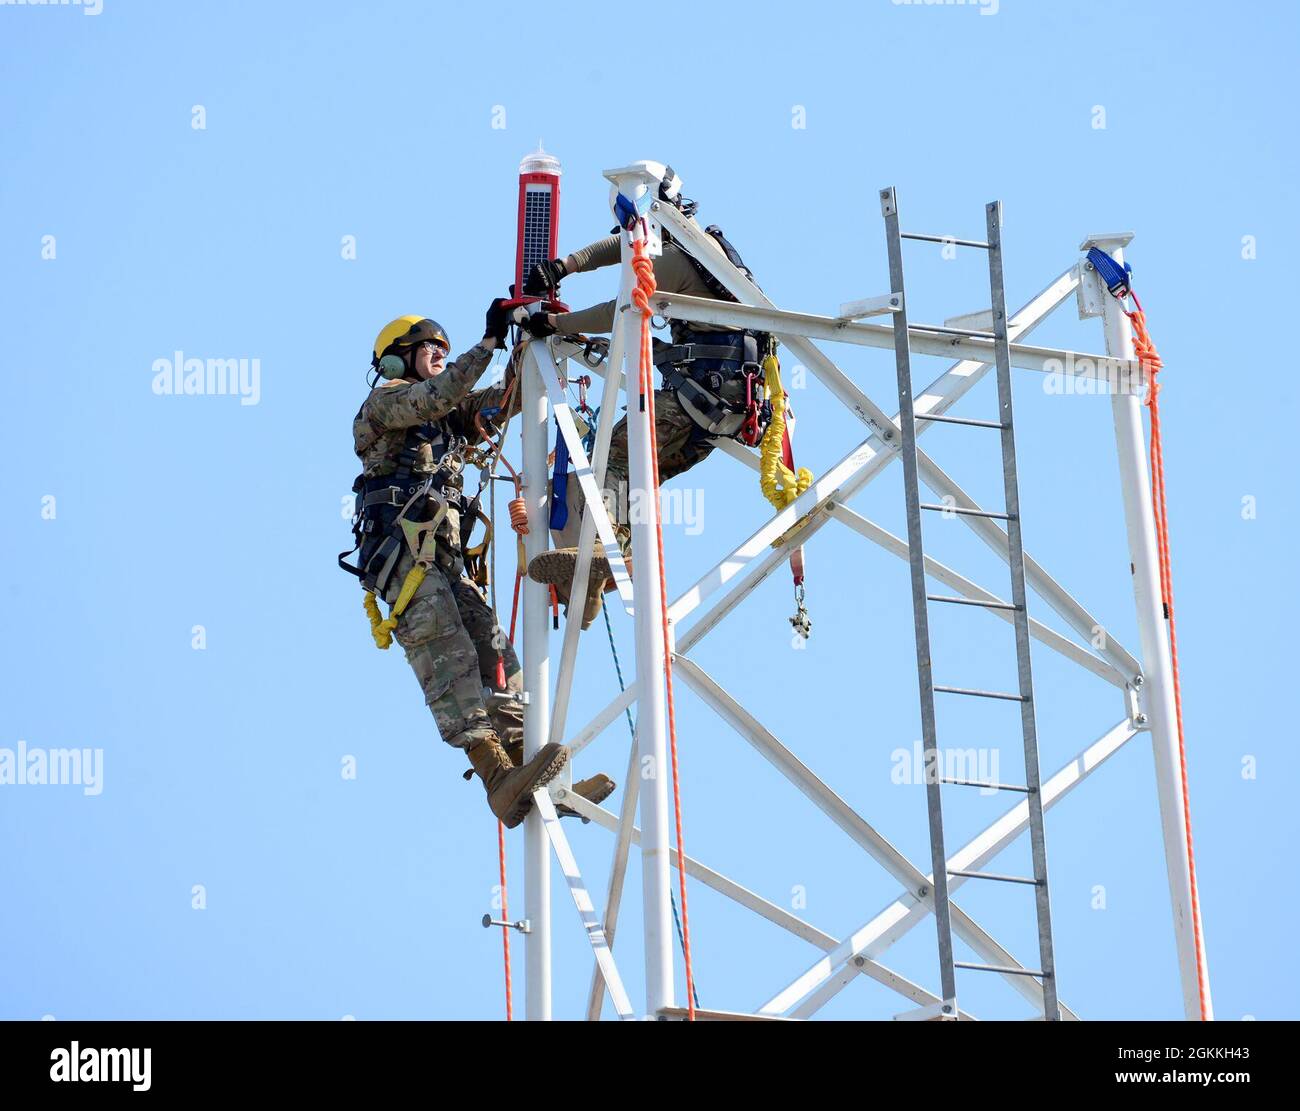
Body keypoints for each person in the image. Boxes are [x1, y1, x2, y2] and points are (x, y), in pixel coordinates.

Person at [342, 308, 613, 827]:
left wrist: (526, 352)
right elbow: (437, 398)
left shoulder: (444, 414)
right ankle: (496, 779)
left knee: (496, 657)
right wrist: (488, 341)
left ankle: (529, 772)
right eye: (429, 347)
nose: (441, 353)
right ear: (399, 358)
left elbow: (496, 404)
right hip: (404, 559)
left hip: (443, 559)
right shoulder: (386, 403)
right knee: (450, 658)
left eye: (445, 347)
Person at [518, 166, 771, 625]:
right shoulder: (703, 251)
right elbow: (623, 249)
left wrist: (555, 325)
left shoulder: (680, 260)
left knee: (613, 453)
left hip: (703, 403)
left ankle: (607, 551)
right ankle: (606, 570)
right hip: (722, 414)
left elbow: (622, 309)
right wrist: (565, 265)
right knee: (634, 479)